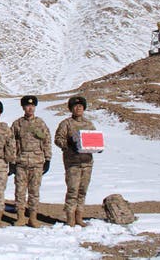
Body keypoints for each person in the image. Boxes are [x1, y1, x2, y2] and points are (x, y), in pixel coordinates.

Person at [10, 95, 51, 227]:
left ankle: (33, 217)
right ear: (23, 107)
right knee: (20, 191)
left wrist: (48, 159)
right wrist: (12, 161)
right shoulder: (17, 124)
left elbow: (47, 141)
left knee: (34, 191)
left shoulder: (41, 123)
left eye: (32, 106)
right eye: (27, 106)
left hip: (37, 162)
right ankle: (21, 217)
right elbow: (12, 143)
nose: (30, 108)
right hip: (21, 162)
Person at [54, 96, 96, 227]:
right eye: (76, 106)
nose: (78, 108)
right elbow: (58, 139)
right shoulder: (66, 124)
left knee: (83, 190)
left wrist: (97, 147)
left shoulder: (89, 124)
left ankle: (79, 216)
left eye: (81, 106)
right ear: (71, 108)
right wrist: (68, 144)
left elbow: (94, 138)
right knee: (73, 190)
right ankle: (70, 218)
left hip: (87, 162)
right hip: (72, 162)